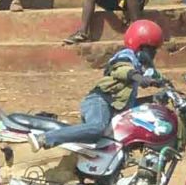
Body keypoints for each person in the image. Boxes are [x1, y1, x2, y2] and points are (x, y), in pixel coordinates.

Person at [40, 21, 159, 150]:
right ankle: (46, 138)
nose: (153, 54)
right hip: (99, 101)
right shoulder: (126, 56)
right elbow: (121, 69)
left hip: (109, 106)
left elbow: (127, 105)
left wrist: (155, 97)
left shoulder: (138, 68)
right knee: (97, 127)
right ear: (139, 46)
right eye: (150, 49)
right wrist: (139, 78)